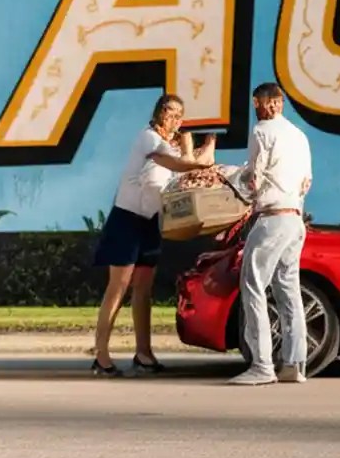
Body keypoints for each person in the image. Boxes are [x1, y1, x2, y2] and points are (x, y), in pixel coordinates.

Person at [90, 93, 216, 377]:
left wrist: (202, 152)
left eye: (178, 115)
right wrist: (202, 154)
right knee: (118, 287)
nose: (174, 119)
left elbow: (185, 171)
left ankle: (144, 354)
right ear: (159, 113)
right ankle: (101, 355)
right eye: (169, 112)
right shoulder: (148, 138)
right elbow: (180, 164)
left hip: (149, 222)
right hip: (126, 219)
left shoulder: (170, 145)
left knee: (143, 288)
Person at [227, 82, 314, 386]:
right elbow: (306, 182)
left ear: (257, 103)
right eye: (271, 103)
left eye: (271, 103)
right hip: (295, 219)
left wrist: (231, 179)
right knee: (288, 290)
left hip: (272, 218)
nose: (270, 108)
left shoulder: (261, 131)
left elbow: (255, 179)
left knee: (253, 286)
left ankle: (262, 365)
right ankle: (293, 364)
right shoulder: (300, 136)